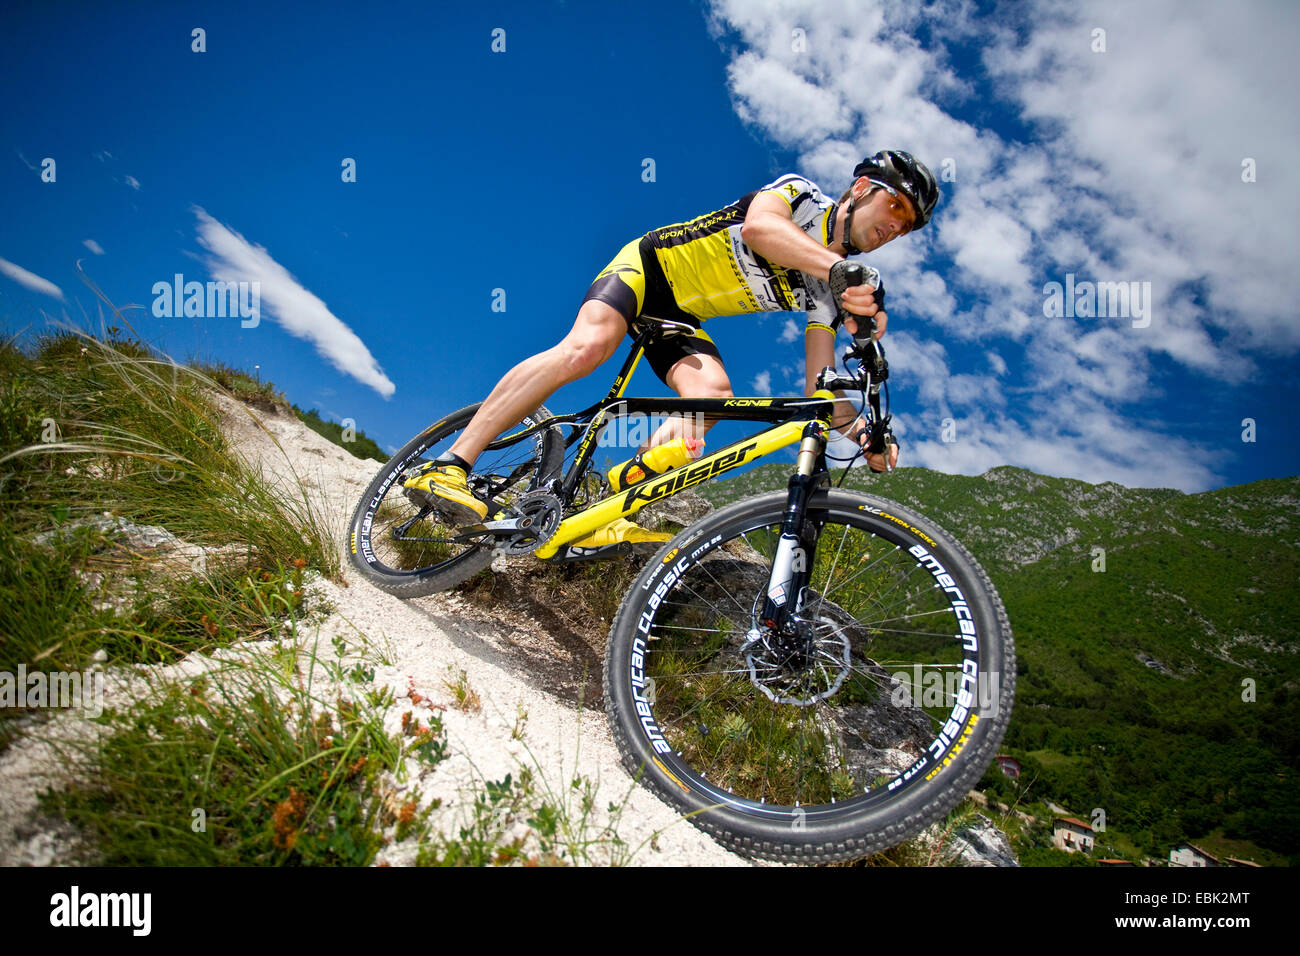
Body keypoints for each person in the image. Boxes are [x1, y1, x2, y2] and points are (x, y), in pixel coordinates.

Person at [406, 149, 939, 549]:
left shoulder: (827, 290)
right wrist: (839, 269)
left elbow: (819, 388)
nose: (896, 225)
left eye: (907, 225)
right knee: (587, 349)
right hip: (646, 268)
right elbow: (760, 228)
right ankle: (450, 465)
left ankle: (611, 500)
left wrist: (862, 432)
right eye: (895, 204)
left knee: (712, 397)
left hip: (679, 316)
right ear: (860, 188)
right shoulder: (800, 196)